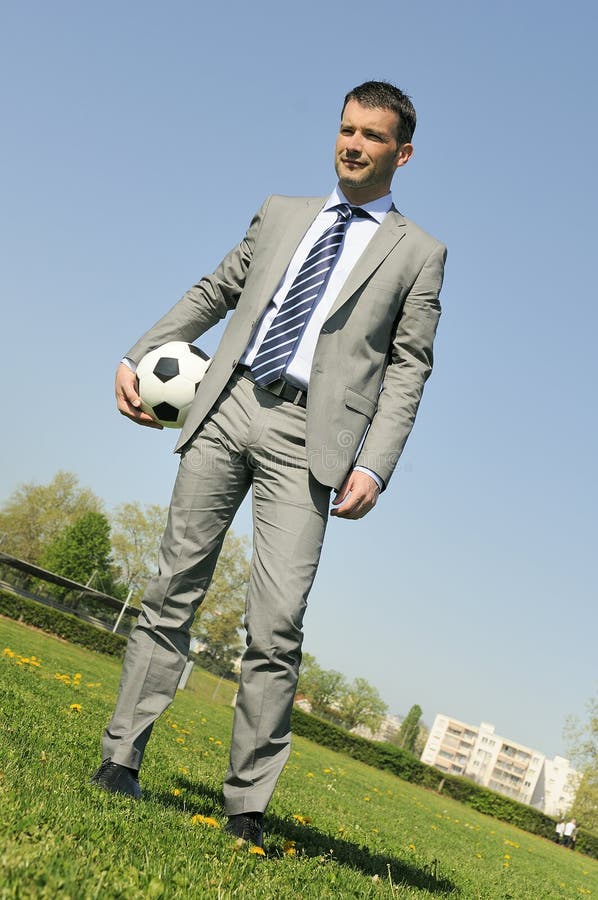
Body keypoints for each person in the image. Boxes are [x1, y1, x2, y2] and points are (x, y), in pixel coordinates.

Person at [91, 80, 447, 847]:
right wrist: (141, 349)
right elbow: (218, 288)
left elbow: (409, 368)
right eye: (346, 129)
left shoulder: (419, 254)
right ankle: (120, 760)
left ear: (403, 152)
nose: (353, 144)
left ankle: (247, 806)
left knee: (277, 624)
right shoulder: (284, 211)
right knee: (173, 586)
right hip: (227, 406)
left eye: (373, 136)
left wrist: (377, 465)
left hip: (310, 442)